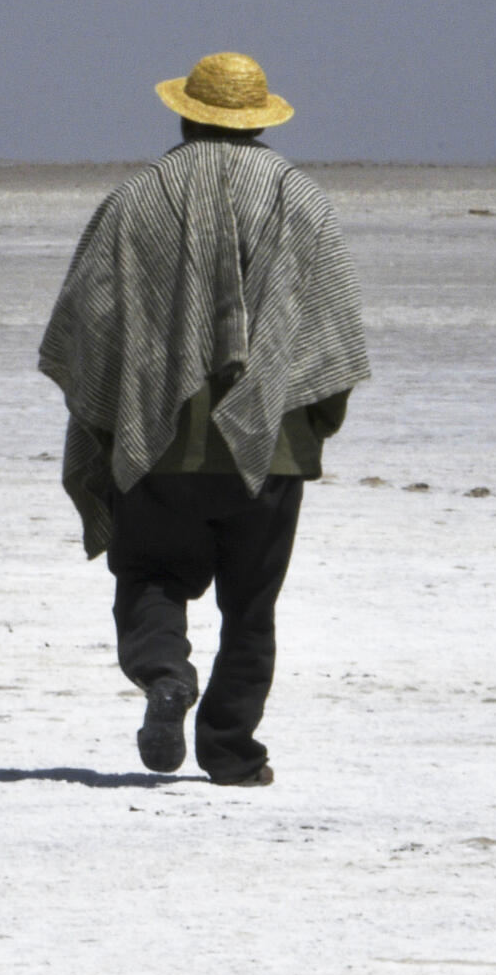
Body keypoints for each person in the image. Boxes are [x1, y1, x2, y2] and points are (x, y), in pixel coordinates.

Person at [39, 52, 369, 786]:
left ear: (185, 113)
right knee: (250, 606)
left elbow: (88, 315)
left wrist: (112, 404)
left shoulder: (137, 198)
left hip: (156, 436)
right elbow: (331, 329)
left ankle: (164, 673)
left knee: (151, 574)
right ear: (259, 119)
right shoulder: (300, 199)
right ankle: (231, 751)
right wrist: (313, 422)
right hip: (272, 442)